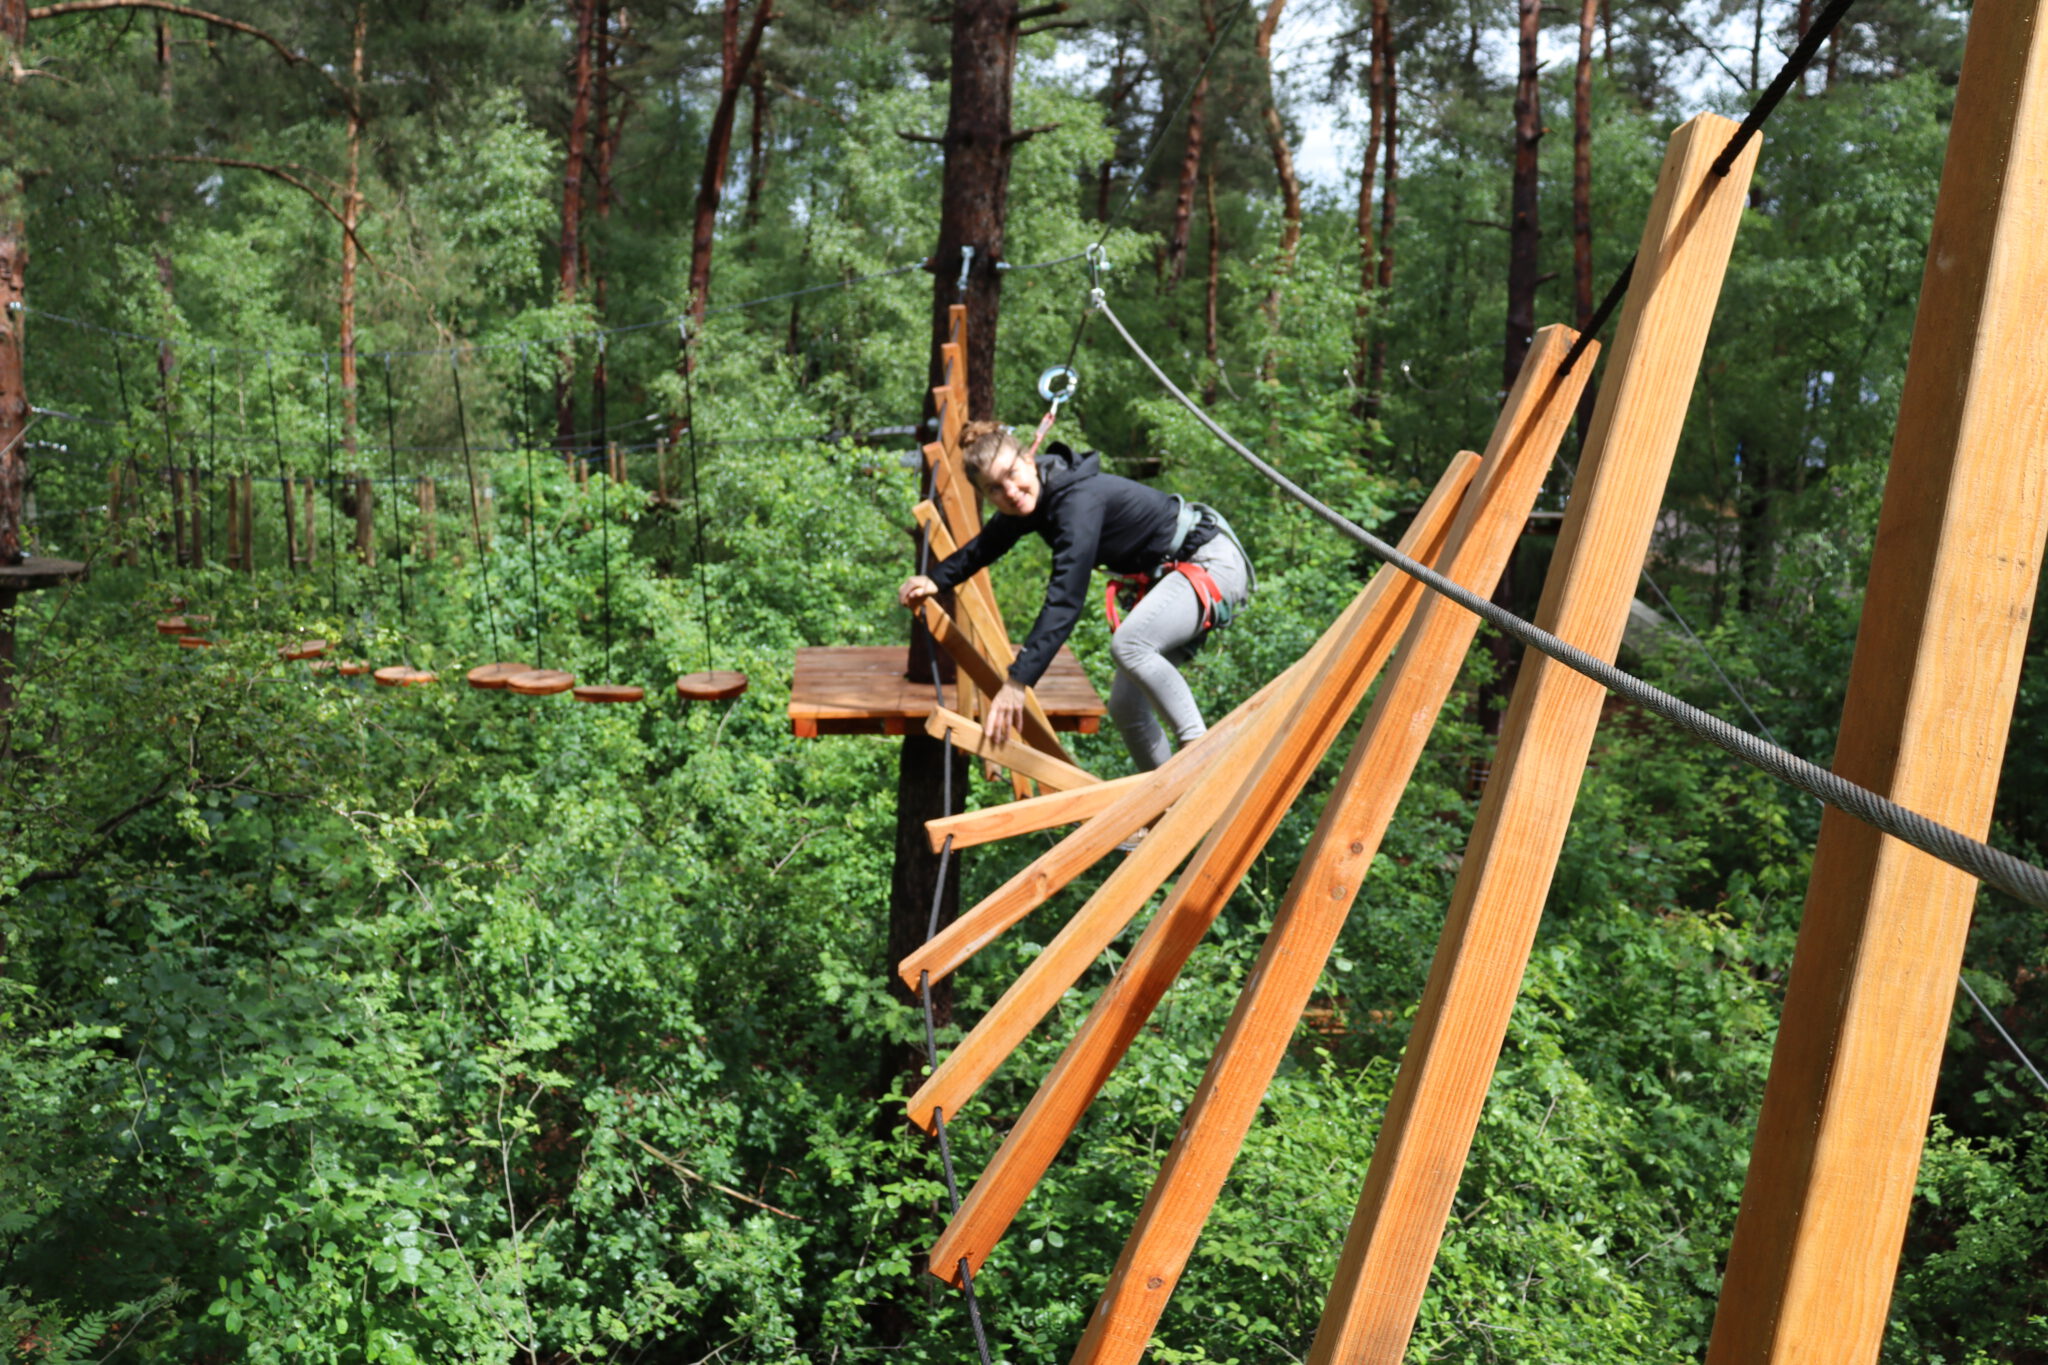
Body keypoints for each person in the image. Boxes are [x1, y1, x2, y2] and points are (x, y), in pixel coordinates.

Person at [899, 420, 1252, 771]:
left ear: (1029, 459)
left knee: (1130, 646)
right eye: (994, 488)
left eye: (1012, 474)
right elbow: (984, 547)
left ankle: (1199, 752)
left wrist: (1018, 681)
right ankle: (1168, 803)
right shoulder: (1036, 497)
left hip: (1210, 563)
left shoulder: (1076, 501)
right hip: (1174, 577)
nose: (1009, 490)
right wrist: (934, 581)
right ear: (985, 495)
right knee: (1126, 707)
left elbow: (1065, 598)